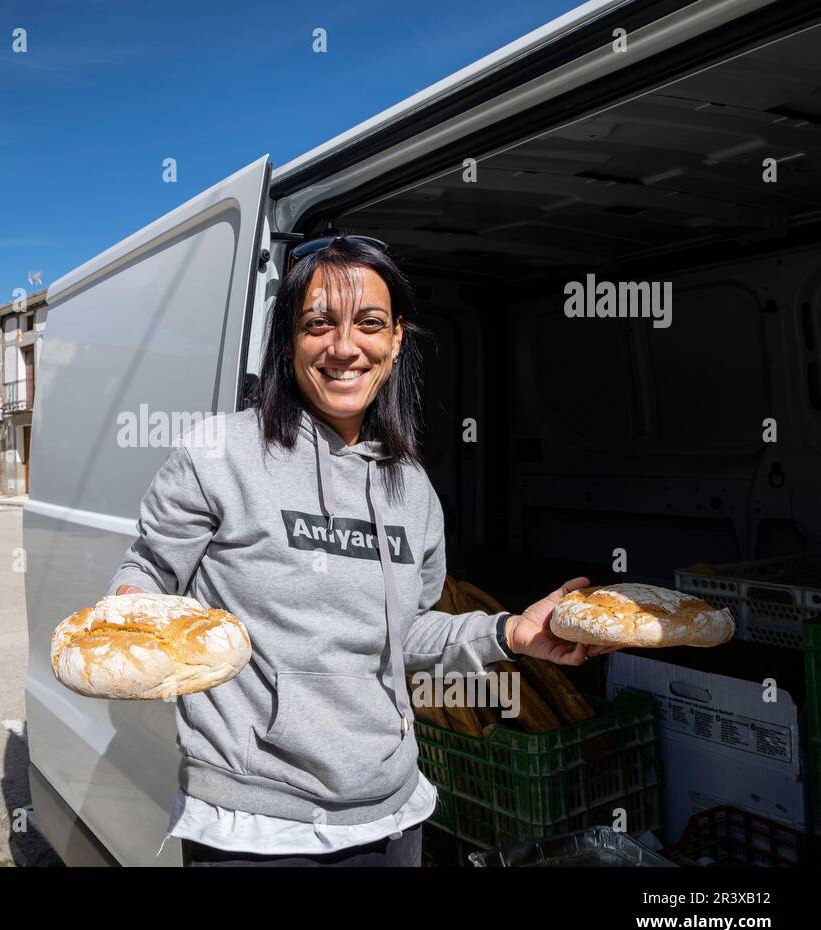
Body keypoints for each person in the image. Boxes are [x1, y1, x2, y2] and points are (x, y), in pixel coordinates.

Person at [106, 235, 609, 867]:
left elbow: (413, 635)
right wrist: (129, 611)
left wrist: (511, 633)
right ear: (289, 337)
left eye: (369, 323)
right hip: (253, 826)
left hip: (391, 814)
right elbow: (150, 570)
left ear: (396, 339)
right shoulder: (220, 454)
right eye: (319, 324)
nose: (345, 348)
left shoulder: (413, 488)